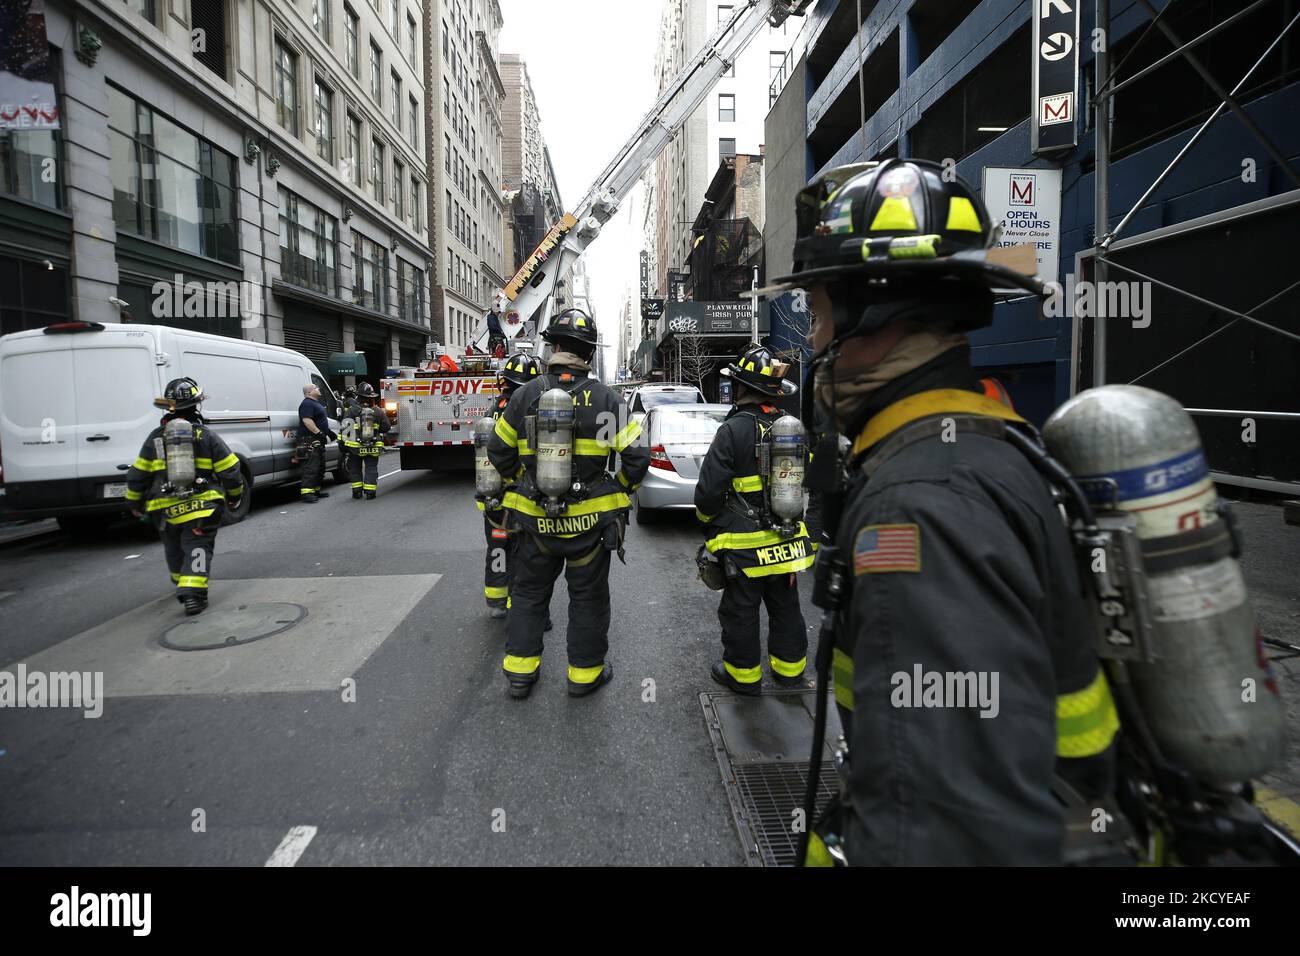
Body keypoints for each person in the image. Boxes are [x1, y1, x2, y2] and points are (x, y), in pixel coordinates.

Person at [779, 159, 1116, 865]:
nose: (811, 344)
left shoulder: (920, 514)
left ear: (875, 312)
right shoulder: (987, 443)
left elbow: (950, 836)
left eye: (816, 316)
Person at [487, 309, 649, 699]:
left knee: (527, 596)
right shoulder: (608, 400)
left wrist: (522, 484)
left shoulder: (525, 394)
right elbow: (637, 458)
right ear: (588, 353)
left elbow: (497, 449)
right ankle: (583, 676)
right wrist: (618, 489)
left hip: (533, 523)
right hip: (589, 528)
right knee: (588, 599)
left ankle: (520, 675)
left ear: (554, 346)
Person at [695, 345, 814, 696]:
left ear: (742, 388)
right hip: (786, 539)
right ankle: (790, 672)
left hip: (744, 549)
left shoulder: (733, 431)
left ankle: (744, 678)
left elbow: (708, 491)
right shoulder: (790, 429)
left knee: (741, 611)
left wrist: (707, 521)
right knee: (786, 608)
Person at [124, 378, 244, 615]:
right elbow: (230, 469)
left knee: (173, 547)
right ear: (196, 405)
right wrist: (234, 496)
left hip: (164, 508)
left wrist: (134, 502)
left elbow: (138, 473)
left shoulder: (155, 437)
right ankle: (193, 592)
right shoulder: (205, 435)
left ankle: (181, 581)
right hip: (202, 507)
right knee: (198, 545)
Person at [480, 352, 542, 617]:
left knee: (497, 543)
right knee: (521, 550)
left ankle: (496, 599)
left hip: (491, 494)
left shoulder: (493, 410)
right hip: (518, 493)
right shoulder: (527, 409)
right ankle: (515, 603)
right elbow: (533, 452)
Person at [348, 382, 389, 499]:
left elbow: (345, 429)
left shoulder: (351, 411)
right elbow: (386, 426)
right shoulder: (377, 411)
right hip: (373, 445)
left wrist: (343, 445)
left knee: (355, 468)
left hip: (354, 446)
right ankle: (370, 492)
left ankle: (357, 492)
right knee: (371, 467)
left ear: (358, 396)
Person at [296, 383, 334, 502]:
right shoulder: (307, 404)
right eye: (315, 388)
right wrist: (319, 433)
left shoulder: (315, 404)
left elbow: (318, 421)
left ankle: (315, 490)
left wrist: (329, 432)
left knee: (319, 467)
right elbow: (307, 421)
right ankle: (307, 493)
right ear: (309, 392)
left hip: (316, 441)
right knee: (311, 467)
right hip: (309, 441)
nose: (318, 389)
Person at [337, 385, 360, 484]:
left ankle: (356, 489)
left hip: (345, 433)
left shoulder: (341, 404)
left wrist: (341, 441)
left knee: (352, 462)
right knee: (357, 463)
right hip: (356, 436)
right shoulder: (357, 405)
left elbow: (339, 418)